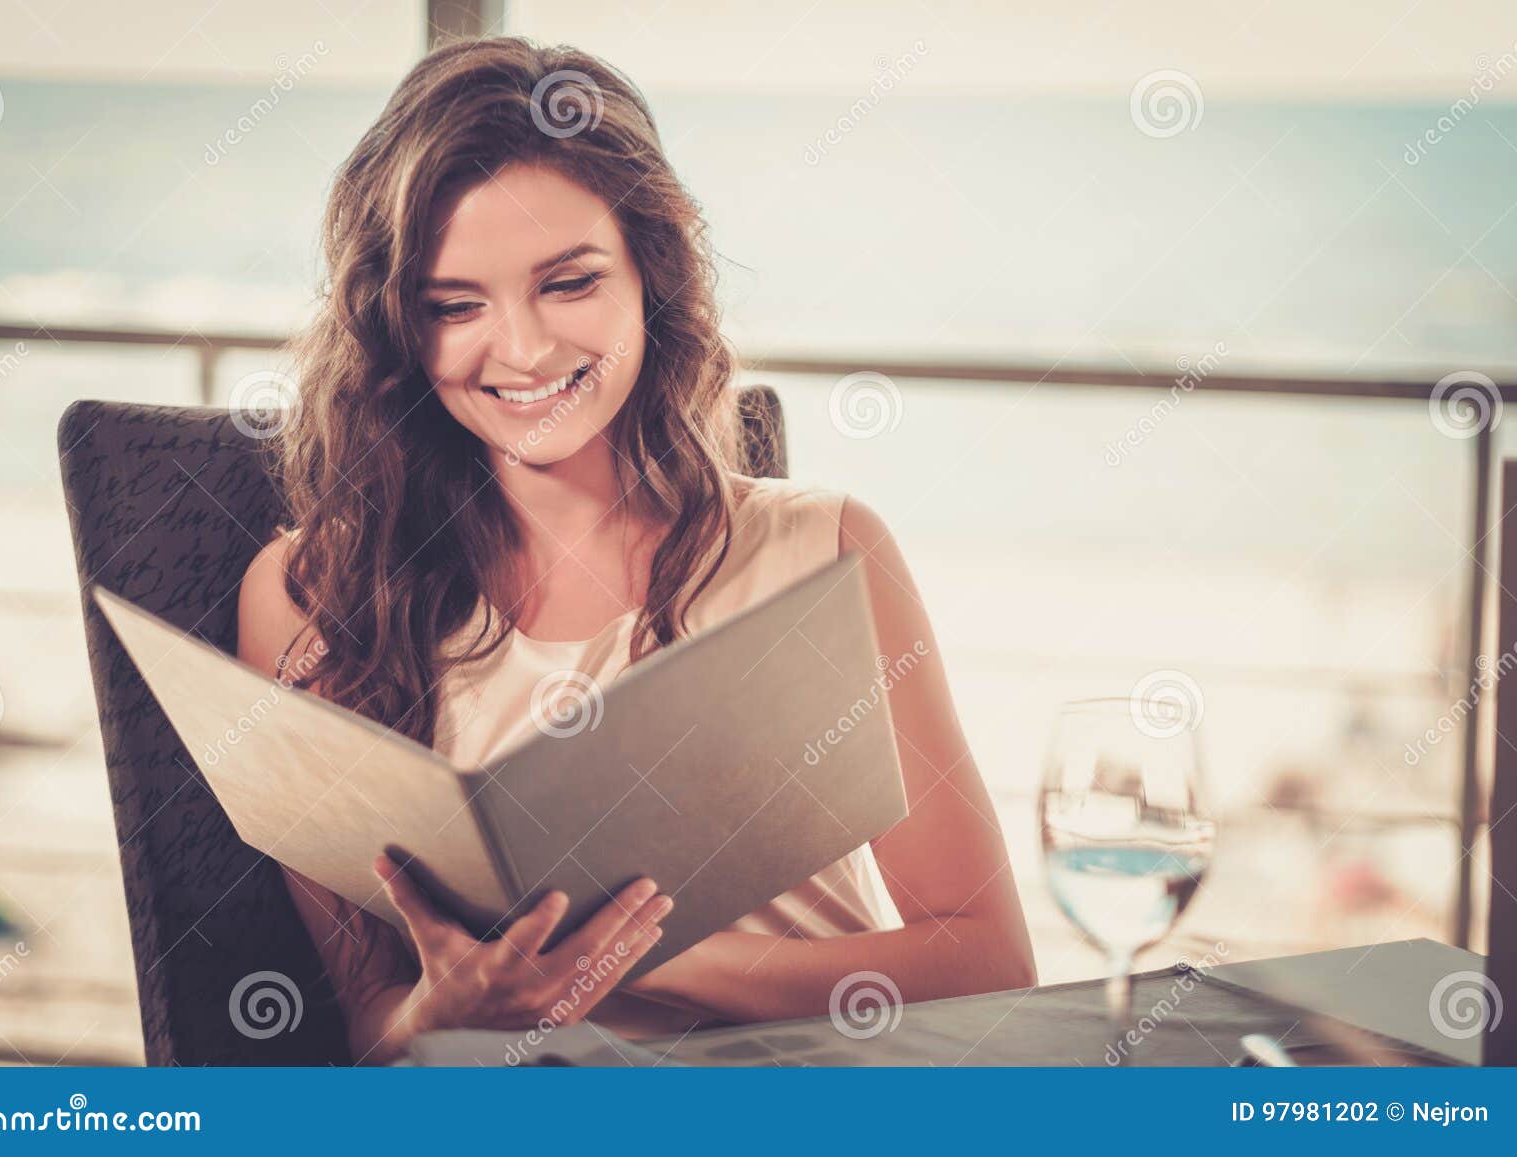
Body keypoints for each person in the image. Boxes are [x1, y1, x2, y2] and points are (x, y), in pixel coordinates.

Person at [237, 35, 1036, 1065]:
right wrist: (442, 1010)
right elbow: (362, 1016)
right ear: (398, 326)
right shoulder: (315, 595)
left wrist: (634, 964)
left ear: (650, 283)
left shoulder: (823, 547)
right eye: (455, 305)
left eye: (568, 284)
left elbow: (985, 953)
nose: (521, 350)